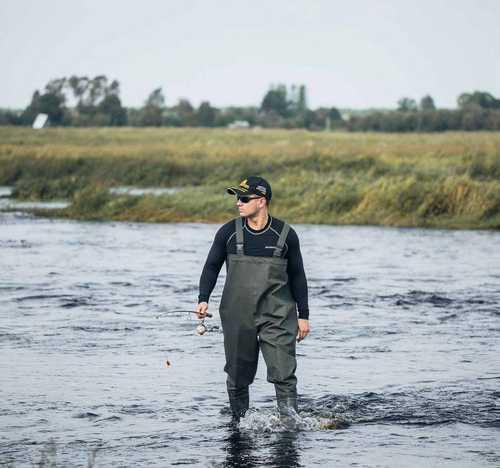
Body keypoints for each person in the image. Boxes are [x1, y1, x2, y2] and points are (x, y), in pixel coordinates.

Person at [196, 176, 310, 423]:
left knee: (284, 373)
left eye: (244, 198)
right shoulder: (227, 232)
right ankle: (239, 423)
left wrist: (304, 316)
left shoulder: (286, 235)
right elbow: (211, 267)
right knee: (237, 375)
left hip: (278, 316)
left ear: (262, 201)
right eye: (237, 197)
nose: (238, 202)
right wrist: (203, 299)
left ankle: (290, 425)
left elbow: (298, 276)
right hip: (237, 316)